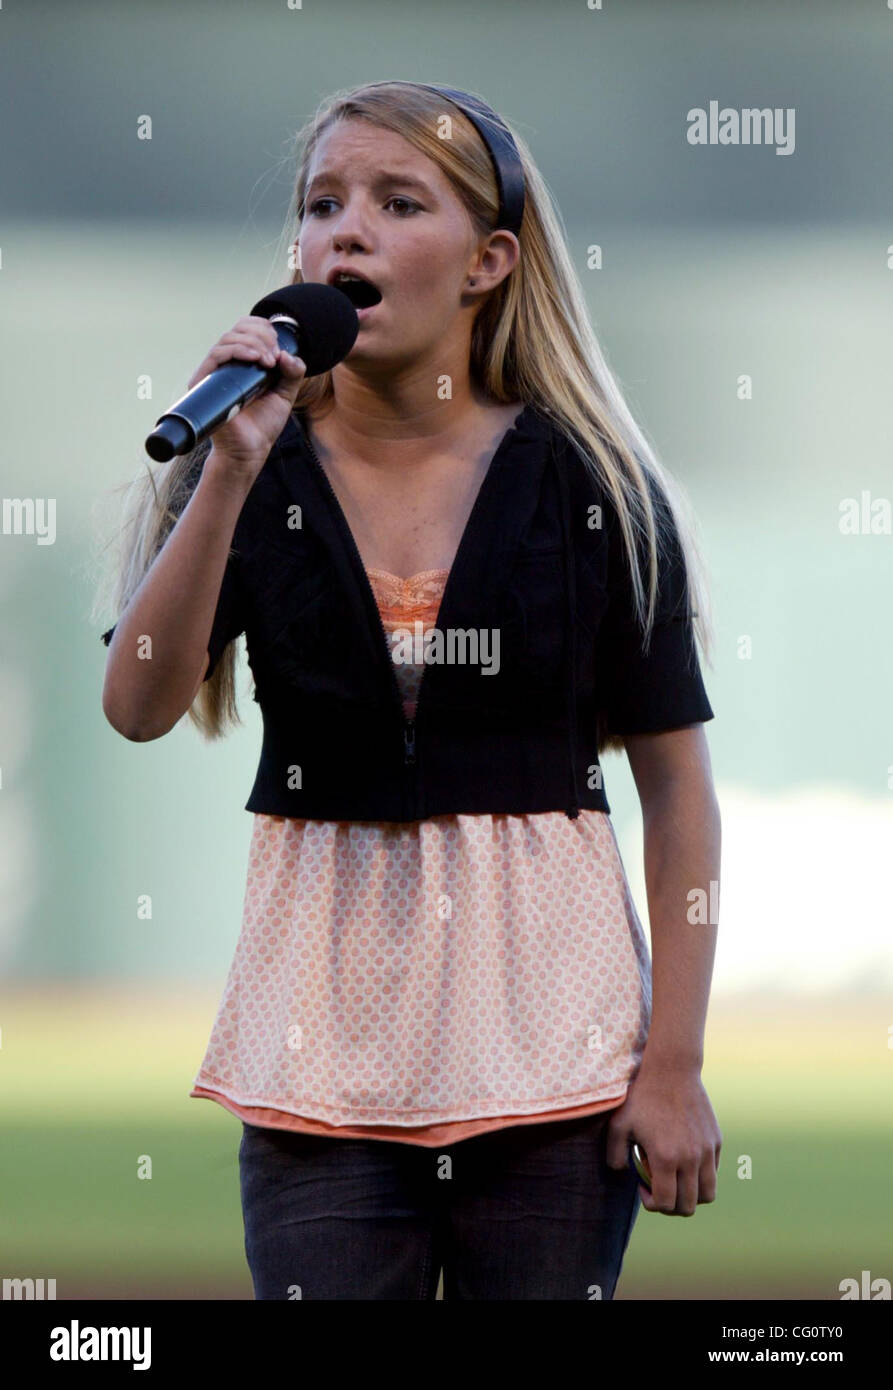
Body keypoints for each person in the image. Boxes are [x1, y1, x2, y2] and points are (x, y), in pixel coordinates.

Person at [99, 80, 722, 1301]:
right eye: (322, 204)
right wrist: (226, 473)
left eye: (396, 203)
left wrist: (673, 1063)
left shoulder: (591, 484)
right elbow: (136, 704)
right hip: (318, 1068)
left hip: (556, 1063)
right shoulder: (251, 463)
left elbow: (679, 795)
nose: (347, 230)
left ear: (486, 262)